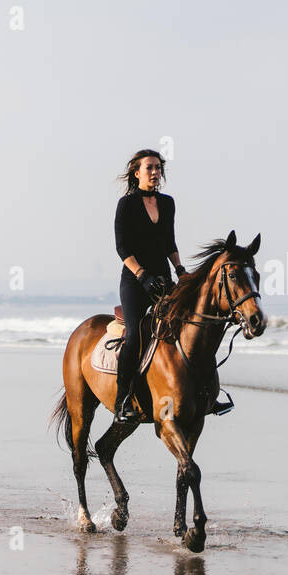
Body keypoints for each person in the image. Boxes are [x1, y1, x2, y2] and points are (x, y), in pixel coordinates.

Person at [112, 149, 184, 422]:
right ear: (136, 172)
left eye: (158, 168)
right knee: (134, 335)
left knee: (186, 327)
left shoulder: (168, 203)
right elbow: (122, 247)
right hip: (134, 281)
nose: (155, 172)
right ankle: (122, 401)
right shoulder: (126, 204)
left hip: (164, 278)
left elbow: (170, 243)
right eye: (150, 168)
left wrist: (181, 271)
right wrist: (142, 275)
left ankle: (201, 392)